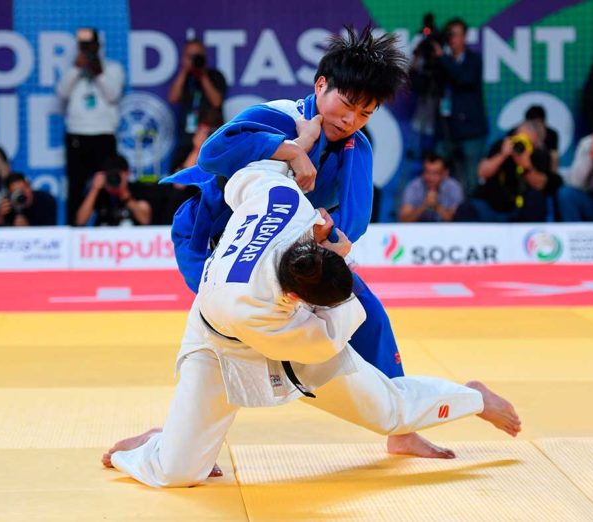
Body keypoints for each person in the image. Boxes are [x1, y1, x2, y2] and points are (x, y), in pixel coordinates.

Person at [103, 160, 521, 488]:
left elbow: (247, 176)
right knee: (177, 472)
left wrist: (295, 153)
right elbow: (326, 337)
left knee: (390, 412)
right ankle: (164, 441)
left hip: (260, 315)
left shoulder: (283, 203)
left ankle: (475, 399)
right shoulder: (260, 311)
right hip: (218, 345)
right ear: (298, 300)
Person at [165, 27, 454, 461]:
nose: (350, 120)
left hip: (282, 240)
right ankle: (183, 437)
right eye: (346, 104)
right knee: (228, 330)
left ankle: (402, 426)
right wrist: (291, 150)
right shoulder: (281, 116)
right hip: (211, 235)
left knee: (366, 309)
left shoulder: (357, 147)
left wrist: (328, 238)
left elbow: (353, 225)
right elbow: (211, 154)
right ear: (321, 85)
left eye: (364, 113)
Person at [56, 28, 125, 225]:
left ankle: (108, 226)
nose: (86, 50)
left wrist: (98, 71)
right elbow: (62, 92)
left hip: (103, 135)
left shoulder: (113, 68)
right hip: (77, 135)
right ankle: (73, 229)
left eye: (90, 46)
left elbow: (113, 95)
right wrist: (77, 69)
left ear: (98, 46)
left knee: (107, 185)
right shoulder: (73, 70)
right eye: (82, 46)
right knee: (76, 187)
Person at [433, 18, 488, 196]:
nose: (451, 39)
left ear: (465, 37)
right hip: (447, 129)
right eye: (448, 35)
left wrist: (442, 58)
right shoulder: (441, 62)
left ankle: (470, 219)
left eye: (454, 34)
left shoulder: (474, 60)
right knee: (439, 176)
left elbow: (464, 79)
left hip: (471, 131)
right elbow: (422, 85)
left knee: (471, 180)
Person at [469, 120, 562, 222]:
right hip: (494, 206)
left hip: (522, 210)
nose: (521, 144)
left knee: (535, 198)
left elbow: (541, 184)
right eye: (519, 138)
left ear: (536, 143)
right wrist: (502, 155)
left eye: (527, 142)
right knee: (469, 207)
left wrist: (526, 166)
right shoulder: (501, 146)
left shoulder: (540, 154)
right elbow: (482, 173)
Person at [168, 39, 227, 172]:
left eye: (197, 56)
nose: (194, 59)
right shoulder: (185, 79)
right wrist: (184, 70)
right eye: (190, 56)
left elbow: (216, 101)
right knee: (179, 180)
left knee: (210, 182)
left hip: (210, 140)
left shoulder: (215, 76)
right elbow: (173, 98)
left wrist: (202, 75)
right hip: (186, 141)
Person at [75, 154, 152, 226]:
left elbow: (145, 220)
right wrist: (94, 189)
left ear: (127, 173)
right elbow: (80, 221)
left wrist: (126, 196)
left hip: (131, 239)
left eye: (117, 175)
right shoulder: (101, 194)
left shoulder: (137, 190)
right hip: (103, 239)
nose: (113, 179)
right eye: (110, 175)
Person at [399, 152, 463, 222]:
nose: (430, 178)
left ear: (445, 173)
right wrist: (424, 205)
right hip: (420, 230)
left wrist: (437, 206)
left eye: (435, 173)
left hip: (447, 232)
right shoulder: (414, 187)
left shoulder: (454, 188)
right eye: (427, 172)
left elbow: (456, 221)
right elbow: (404, 219)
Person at [510, 105, 559, 172]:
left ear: (544, 123)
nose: (535, 129)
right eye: (531, 126)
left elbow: (554, 158)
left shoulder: (551, 134)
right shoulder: (515, 132)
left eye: (537, 126)